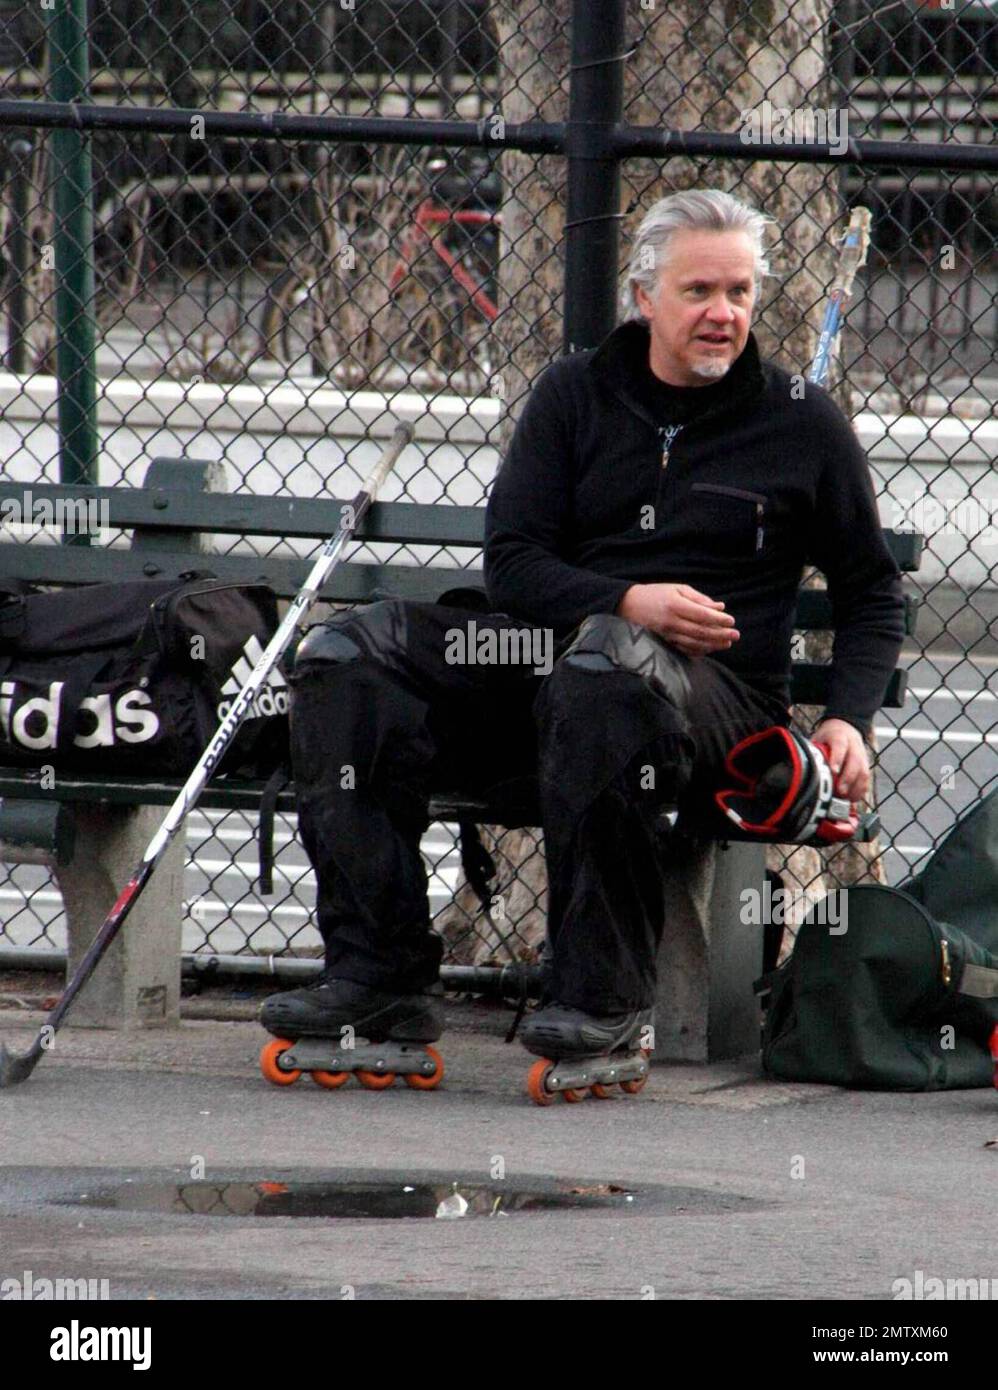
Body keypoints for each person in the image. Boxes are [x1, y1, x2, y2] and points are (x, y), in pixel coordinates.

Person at [260, 188, 905, 1065]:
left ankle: (602, 998)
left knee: (609, 668)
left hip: (711, 708)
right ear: (645, 297)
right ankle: (379, 981)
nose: (723, 314)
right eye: (699, 292)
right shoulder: (573, 395)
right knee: (348, 653)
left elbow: (872, 590)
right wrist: (626, 599)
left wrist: (847, 718)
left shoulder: (803, 423)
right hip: (546, 676)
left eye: (740, 294)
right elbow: (515, 563)